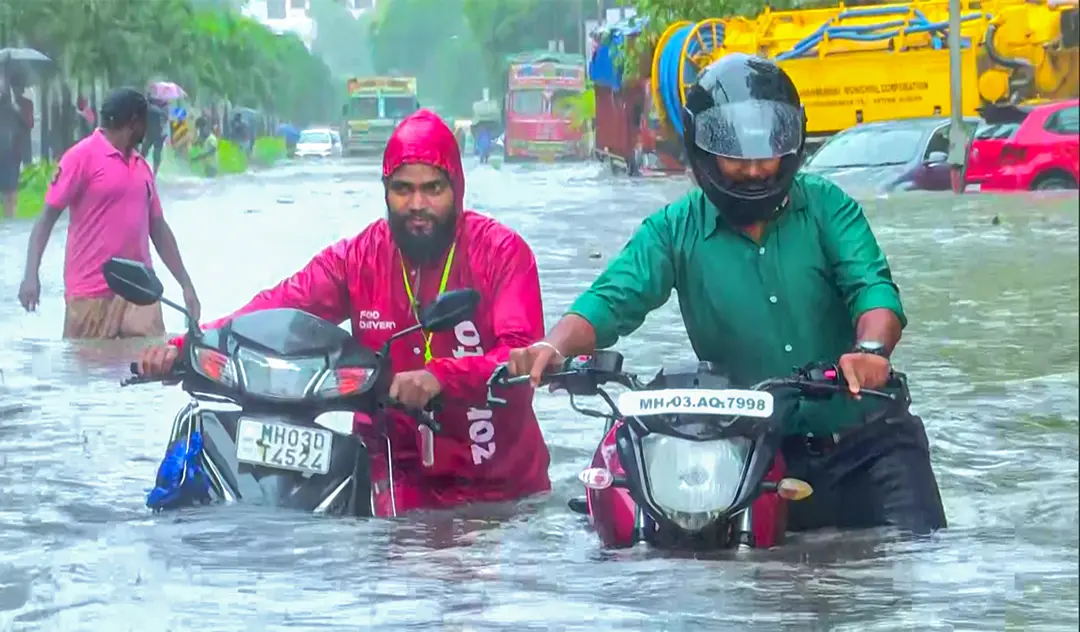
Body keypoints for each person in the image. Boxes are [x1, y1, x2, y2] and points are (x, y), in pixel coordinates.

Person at [507, 54, 948, 536]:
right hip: (758, 456)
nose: (755, 168)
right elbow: (610, 299)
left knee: (915, 559)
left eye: (768, 152)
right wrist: (553, 347)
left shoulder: (829, 207)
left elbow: (873, 291)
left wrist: (870, 352)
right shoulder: (673, 229)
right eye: (735, 156)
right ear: (702, 151)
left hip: (873, 447)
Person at [133, 109, 552, 514]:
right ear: (385, 191)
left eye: (433, 188)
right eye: (402, 189)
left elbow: (522, 355)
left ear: (457, 189)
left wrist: (441, 377)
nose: (417, 204)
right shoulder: (359, 257)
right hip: (389, 483)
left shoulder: (501, 253)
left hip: (497, 491)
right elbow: (277, 305)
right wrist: (186, 346)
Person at [18, 87, 201, 339]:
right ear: (134, 122)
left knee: (152, 357)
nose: (148, 129)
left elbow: (158, 229)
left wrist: (186, 284)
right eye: (145, 121)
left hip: (140, 291)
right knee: (87, 361)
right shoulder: (81, 157)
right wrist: (31, 274)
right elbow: (46, 219)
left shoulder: (142, 167)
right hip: (89, 295)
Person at [0, 74, 29, 219]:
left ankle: (10, 214)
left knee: (10, 186)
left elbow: (24, 128)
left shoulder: (14, 110)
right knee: (7, 186)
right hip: (5, 152)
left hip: (10, 153)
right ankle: (9, 214)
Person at [141, 96, 168, 176]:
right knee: (144, 152)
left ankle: (154, 174)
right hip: (150, 132)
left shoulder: (164, 105)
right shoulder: (150, 102)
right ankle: (140, 169)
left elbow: (165, 116)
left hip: (159, 133)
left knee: (156, 153)